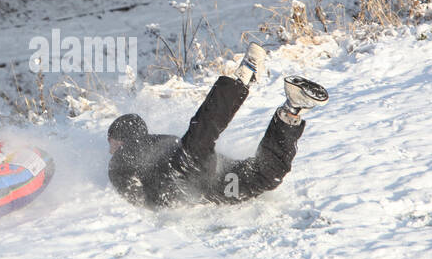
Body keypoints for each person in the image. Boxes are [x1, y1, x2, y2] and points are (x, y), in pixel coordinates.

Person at [107, 43, 327, 207]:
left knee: (202, 135)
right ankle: (291, 112)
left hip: (182, 178)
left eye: (111, 142)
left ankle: (242, 80)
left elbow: (135, 195)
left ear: (121, 138)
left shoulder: (124, 155)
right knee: (264, 175)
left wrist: (162, 203)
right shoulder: (160, 142)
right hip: (211, 180)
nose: (109, 149)